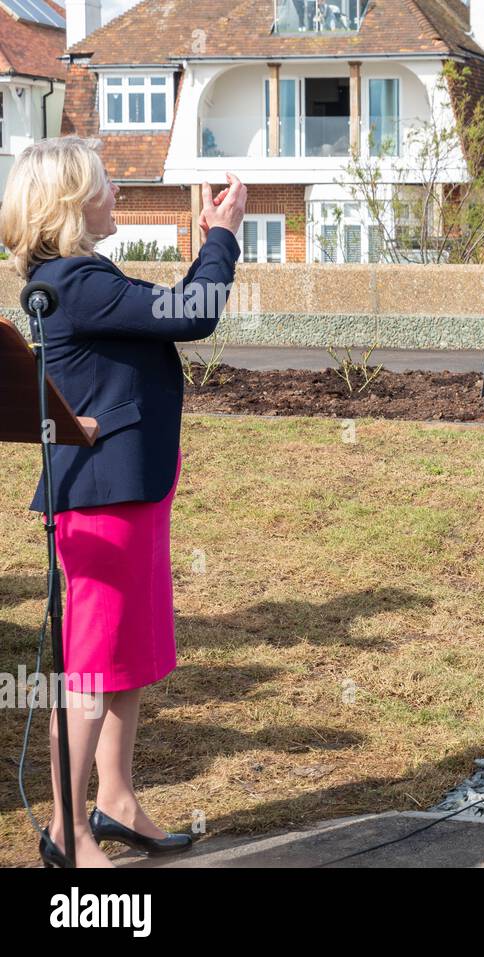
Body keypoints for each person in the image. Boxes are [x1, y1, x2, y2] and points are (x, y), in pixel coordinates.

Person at [0, 137, 246, 867]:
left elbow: (160, 315)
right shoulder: (75, 281)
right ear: (72, 202)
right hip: (102, 497)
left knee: (125, 657)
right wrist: (224, 236)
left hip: (130, 489)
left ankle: (116, 800)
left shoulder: (80, 277)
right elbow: (193, 310)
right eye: (106, 185)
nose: (116, 195)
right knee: (92, 669)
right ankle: (68, 833)